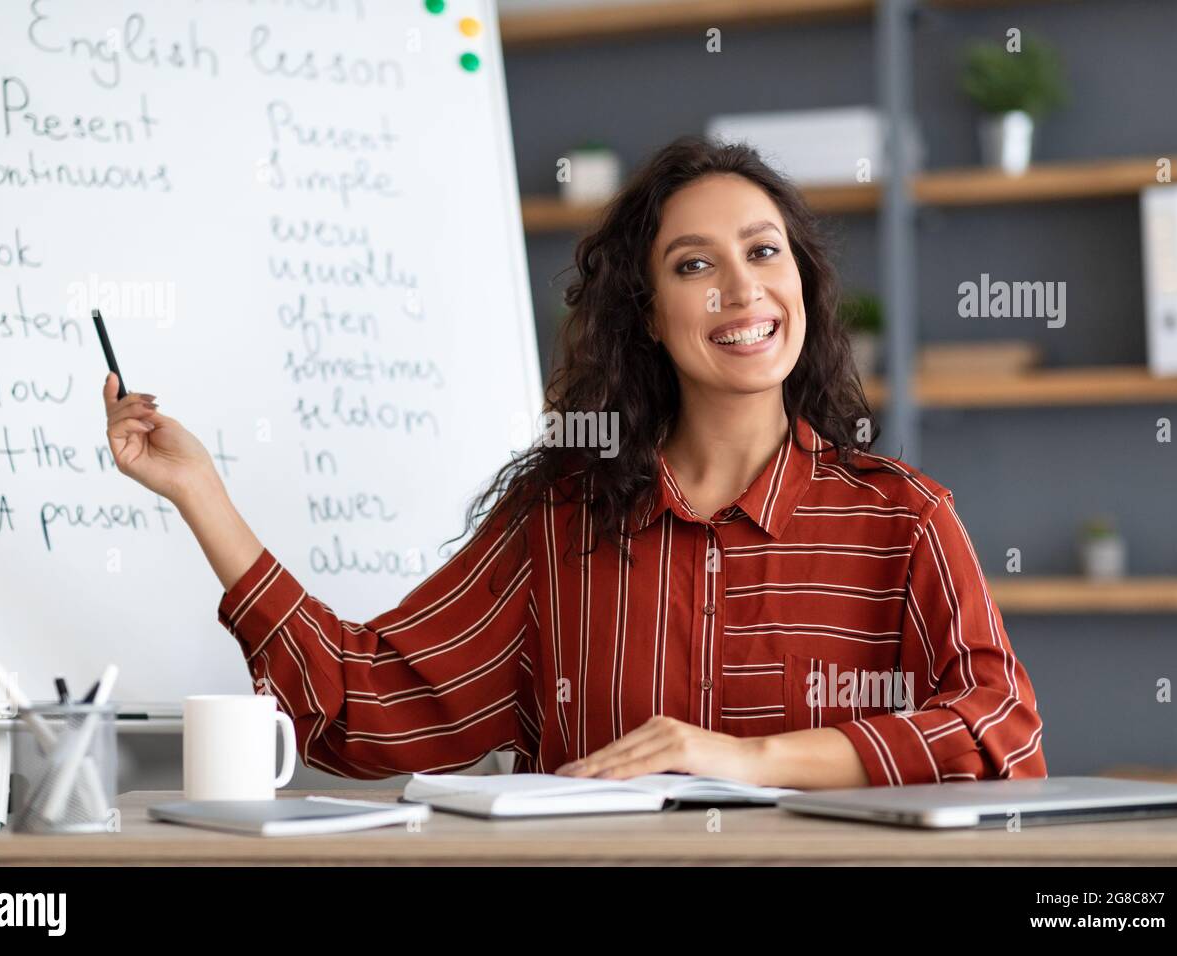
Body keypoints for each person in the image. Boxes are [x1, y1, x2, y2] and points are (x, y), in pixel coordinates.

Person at [101, 135, 1046, 788]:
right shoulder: (559, 521)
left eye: (763, 252)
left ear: (801, 283)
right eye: (693, 264)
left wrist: (748, 758)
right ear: (646, 313)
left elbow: (1003, 733)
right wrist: (200, 493)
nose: (740, 287)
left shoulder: (901, 518)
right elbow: (363, 708)